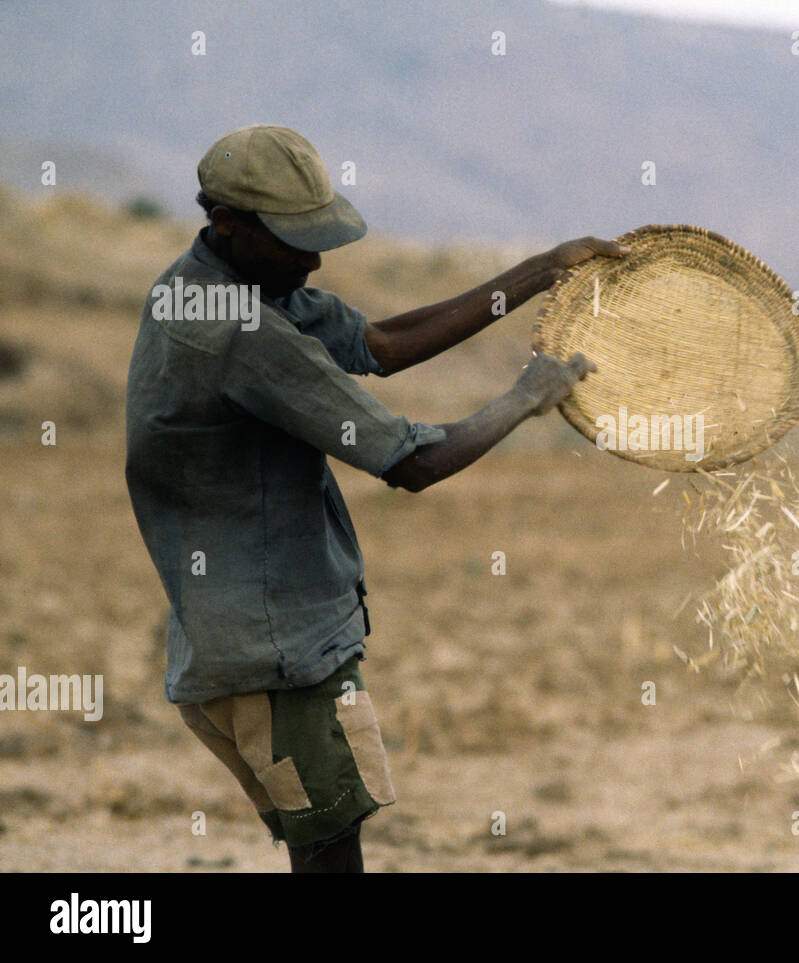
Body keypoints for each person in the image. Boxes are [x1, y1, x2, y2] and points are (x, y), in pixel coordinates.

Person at [124, 124, 627, 872]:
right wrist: (524, 399)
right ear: (228, 221)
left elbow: (385, 345)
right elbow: (412, 462)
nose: (314, 258)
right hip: (278, 654)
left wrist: (539, 271)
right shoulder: (239, 331)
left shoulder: (206, 283)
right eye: (295, 240)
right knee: (331, 858)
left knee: (318, 847)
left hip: (240, 641)